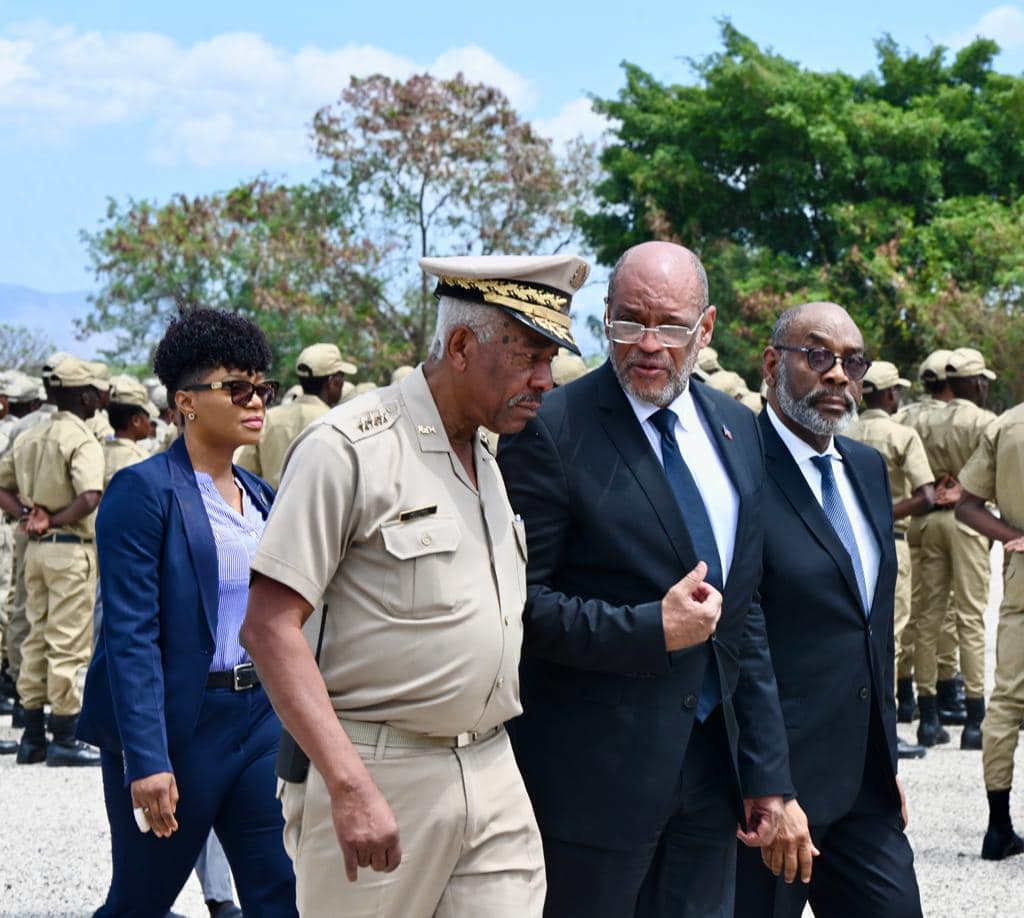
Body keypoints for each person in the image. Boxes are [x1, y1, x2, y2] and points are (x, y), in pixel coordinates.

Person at [241, 253, 590, 917]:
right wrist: (347, 785)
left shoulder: (488, 454)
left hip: (491, 770)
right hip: (379, 772)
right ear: (461, 345)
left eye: (552, 360)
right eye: (530, 357)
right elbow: (268, 627)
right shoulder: (348, 448)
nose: (546, 381)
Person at [496, 240, 790, 917]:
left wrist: (767, 770)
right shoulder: (554, 429)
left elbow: (745, 612)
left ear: (705, 329)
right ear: (604, 319)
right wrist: (648, 630)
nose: (648, 344)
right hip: (594, 780)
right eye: (629, 321)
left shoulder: (738, 430)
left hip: (714, 775)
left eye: (670, 326)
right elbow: (520, 608)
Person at [76, 308, 297, 917]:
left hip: (257, 721)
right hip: (181, 727)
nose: (257, 400)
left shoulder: (263, 498)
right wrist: (147, 760)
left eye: (263, 387)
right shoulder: (142, 493)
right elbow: (130, 633)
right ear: (186, 402)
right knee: (141, 902)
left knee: (280, 893)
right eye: (238, 387)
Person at [733, 302, 922, 918]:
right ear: (771, 364)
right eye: (818, 356)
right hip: (769, 797)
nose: (839, 375)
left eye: (853, 362)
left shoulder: (865, 468)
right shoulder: (738, 470)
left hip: (863, 787)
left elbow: (872, 630)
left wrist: (883, 755)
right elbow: (740, 638)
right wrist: (771, 785)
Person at [0, 356, 105, 767]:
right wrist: (55, 518)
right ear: (83, 395)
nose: (100, 397)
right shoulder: (79, 439)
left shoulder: (31, 435)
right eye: (95, 390)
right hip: (69, 548)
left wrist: (29, 517)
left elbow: (1, 483)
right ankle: (65, 734)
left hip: (36, 550)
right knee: (68, 642)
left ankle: (31, 736)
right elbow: (90, 495)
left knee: (36, 637)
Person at [845, 360, 934, 760]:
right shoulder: (901, 433)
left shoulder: (844, 429)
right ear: (890, 394)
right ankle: (886, 731)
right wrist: (883, 510)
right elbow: (927, 495)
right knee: (890, 635)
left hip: (846, 540)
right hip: (890, 538)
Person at [912, 347, 997, 750]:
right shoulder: (985, 422)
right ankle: (975, 721)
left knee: (928, 617)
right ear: (974, 382)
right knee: (970, 617)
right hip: (967, 522)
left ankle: (928, 718)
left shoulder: (920, 418)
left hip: (927, 520)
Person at [955, 401, 1024, 859]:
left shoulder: (1007, 424)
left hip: (1022, 571)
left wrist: (1009, 536)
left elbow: (966, 506)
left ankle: (998, 827)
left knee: (1007, 697)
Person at [896, 350, 963, 727]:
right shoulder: (966, 418)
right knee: (948, 610)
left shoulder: (903, 417)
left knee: (911, 608)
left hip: (912, 520)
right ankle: (944, 688)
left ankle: (906, 692)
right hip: (952, 515)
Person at [235, 343, 355, 489]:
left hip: (273, 509)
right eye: (341, 378)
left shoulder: (268, 419)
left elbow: (244, 471)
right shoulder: (338, 423)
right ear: (332, 382)